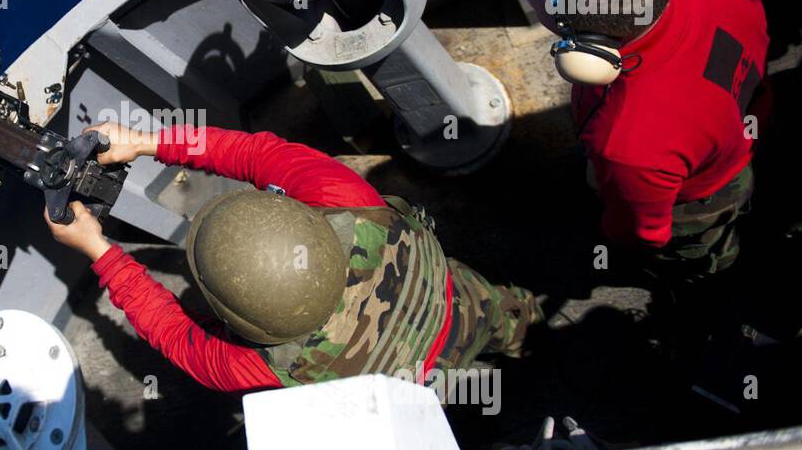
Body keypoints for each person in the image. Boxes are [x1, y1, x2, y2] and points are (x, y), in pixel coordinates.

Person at [44, 123, 542, 393]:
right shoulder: (348, 201)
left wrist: (98, 248)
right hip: (456, 299)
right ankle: (529, 333)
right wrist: (147, 142)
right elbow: (257, 154)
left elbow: (176, 336)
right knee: (505, 315)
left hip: (422, 389)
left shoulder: (264, 366)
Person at [523, 0, 769, 277]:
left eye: (539, 0)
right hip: (742, 117)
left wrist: (615, 227)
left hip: (705, 191)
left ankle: (709, 280)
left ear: (591, 49)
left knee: (698, 255)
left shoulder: (627, 141)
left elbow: (644, 233)